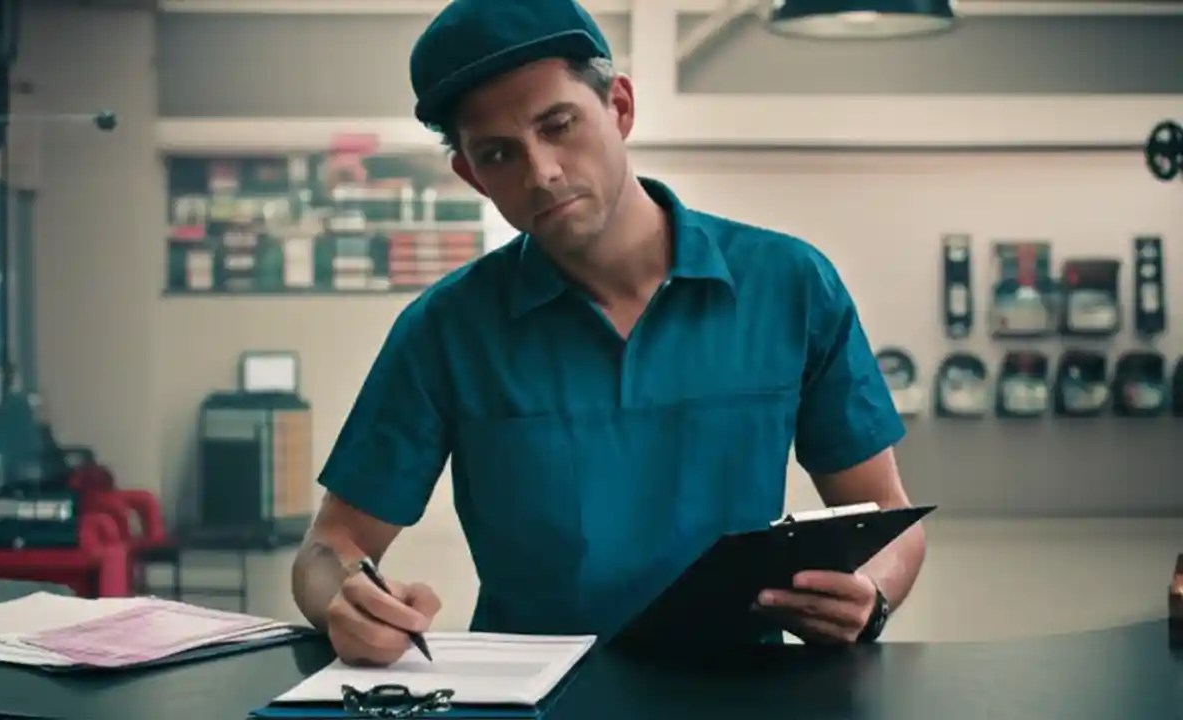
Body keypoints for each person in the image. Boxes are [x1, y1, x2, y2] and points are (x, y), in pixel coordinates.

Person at [292, 0, 927, 667]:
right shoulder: (444, 331)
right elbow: (328, 547)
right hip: (530, 698)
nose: (541, 172)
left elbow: (885, 513)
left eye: (558, 125)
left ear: (619, 106)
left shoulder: (791, 287)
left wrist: (870, 593)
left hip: (739, 692)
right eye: (500, 154)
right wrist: (345, 599)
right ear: (472, 176)